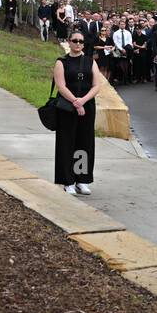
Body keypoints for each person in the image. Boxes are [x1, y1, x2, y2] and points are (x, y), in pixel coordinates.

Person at [52, 32, 103, 194]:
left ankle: (82, 179)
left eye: (81, 41)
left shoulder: (90, 61)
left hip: (86, 106)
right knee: (67, 143)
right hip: (67, 107)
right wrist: (75, 101)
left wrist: (83, 101)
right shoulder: (62, 62)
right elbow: (61, 86)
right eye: (75, 41)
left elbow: (96, 85)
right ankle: (67, 181)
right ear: (69, 42)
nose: (78, 44)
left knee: (84, 142)